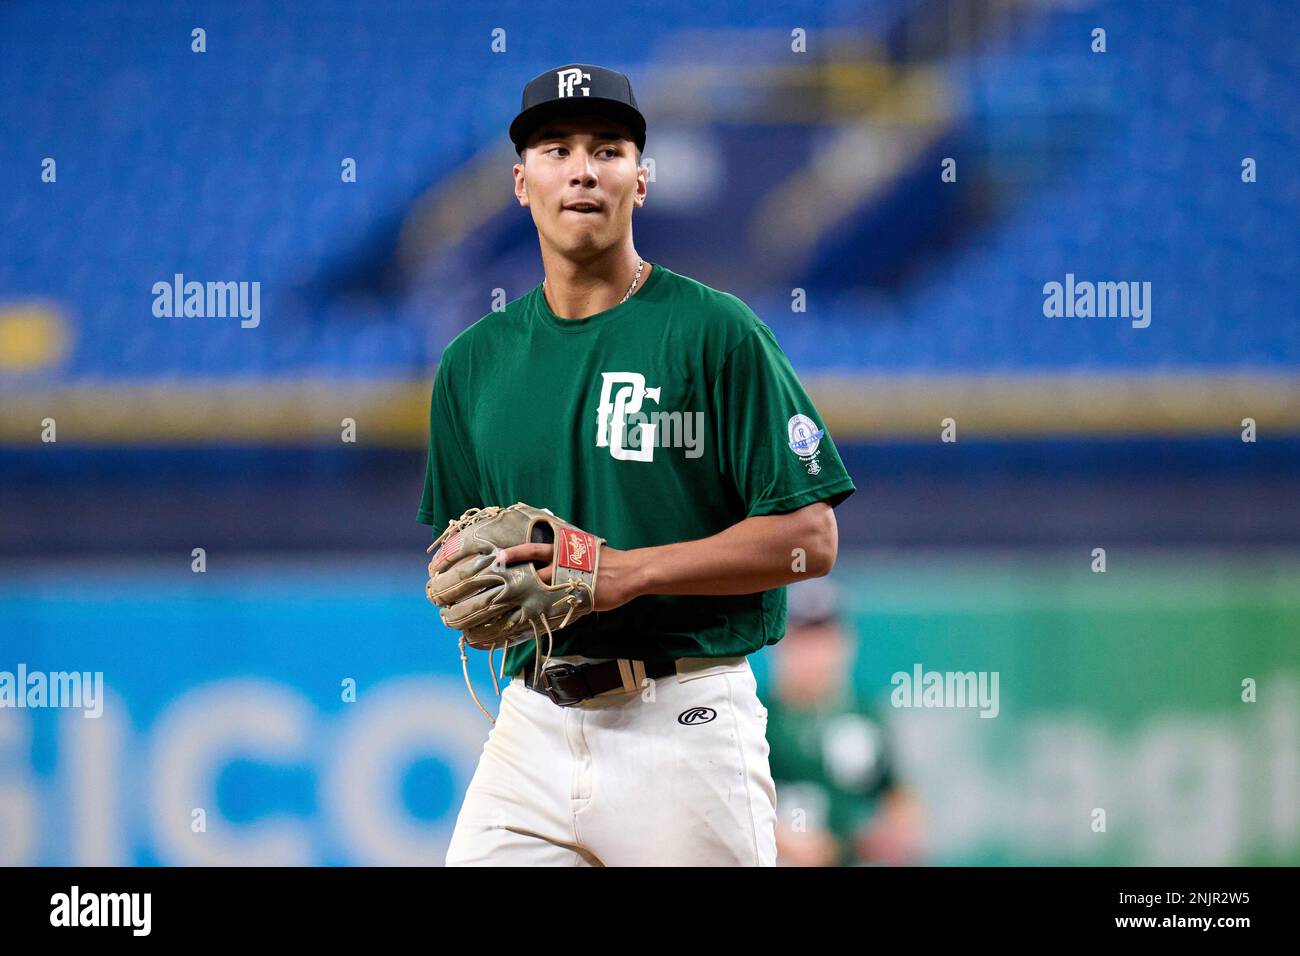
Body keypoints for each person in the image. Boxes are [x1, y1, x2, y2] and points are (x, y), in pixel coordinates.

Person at [417, 63, 855, 866]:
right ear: (520, 182)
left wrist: (625, 571)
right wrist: (463, 571)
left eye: (608, 148)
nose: (583, 168)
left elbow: (811, 538)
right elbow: (457, 544)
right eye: (556, 149)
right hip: (533, 725)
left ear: (641, 180)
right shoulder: (471, 365)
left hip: (683, 722)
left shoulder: (715, 334)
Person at [767, 578, 925, 866]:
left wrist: (898, 830)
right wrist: (785, 839)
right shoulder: (758, 717)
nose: (814, 654)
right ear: (781, 644)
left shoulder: (864, 714)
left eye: (823, 640)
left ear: (844, 643)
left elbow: (896, 792)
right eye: (804, 639)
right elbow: (729, 802)